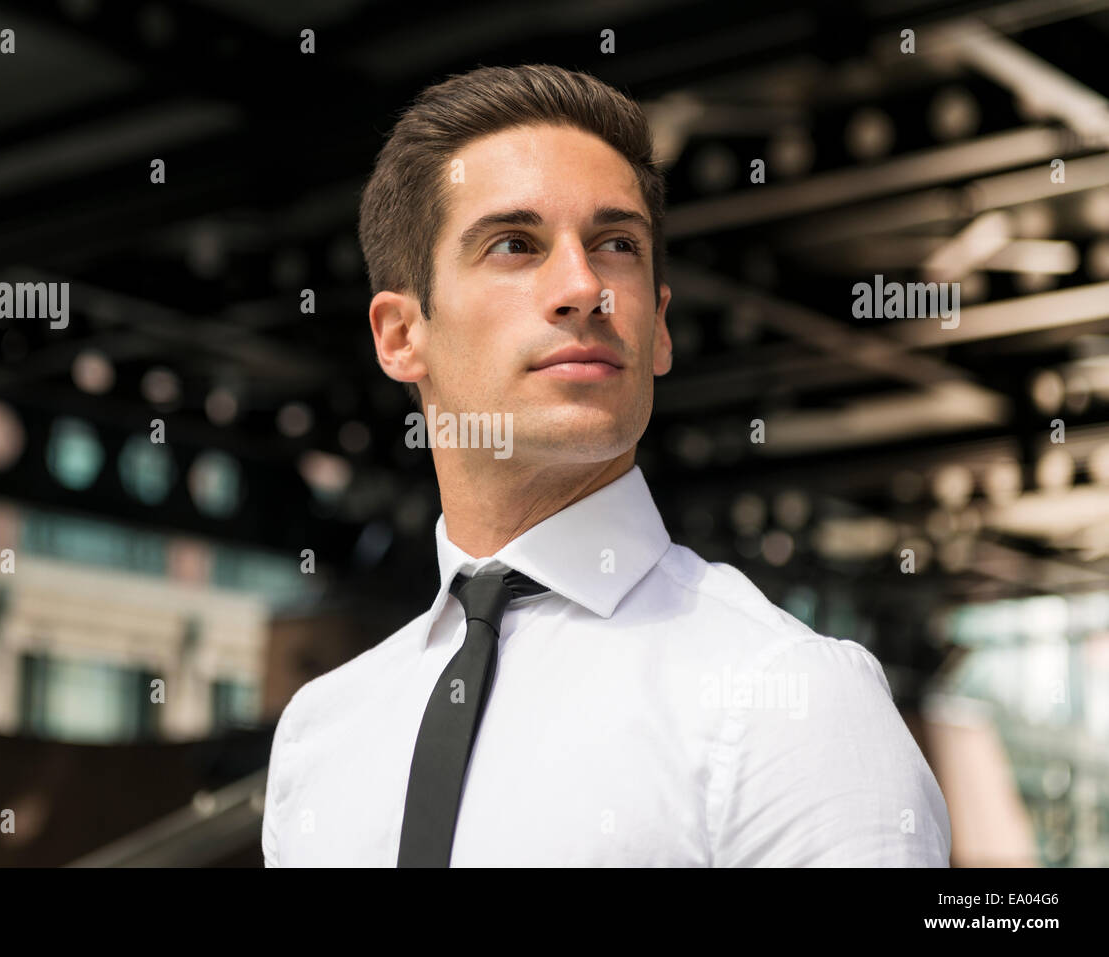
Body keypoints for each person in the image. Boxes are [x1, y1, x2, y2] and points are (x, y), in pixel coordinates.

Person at [262, 63, 951, 867]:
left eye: (616, 244)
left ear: (659, 329)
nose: (584, 287)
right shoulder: (322, 735)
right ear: (399, 335)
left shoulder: (789, 698)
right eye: (514, 244)